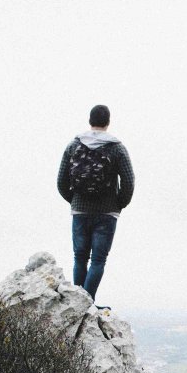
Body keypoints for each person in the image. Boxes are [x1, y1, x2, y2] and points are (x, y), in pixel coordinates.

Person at [56, 104, 135, 305]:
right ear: (108, 122)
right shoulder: (117, 148)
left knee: (80, 257)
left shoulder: (73, 146)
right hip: (107, 212)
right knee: (98, 260)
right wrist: (119, 204)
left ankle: (77, 303)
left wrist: (74, 200)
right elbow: (128, 180)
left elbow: (61, 181)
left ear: (90, 121)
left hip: (80, 211)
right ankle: (86, 304)